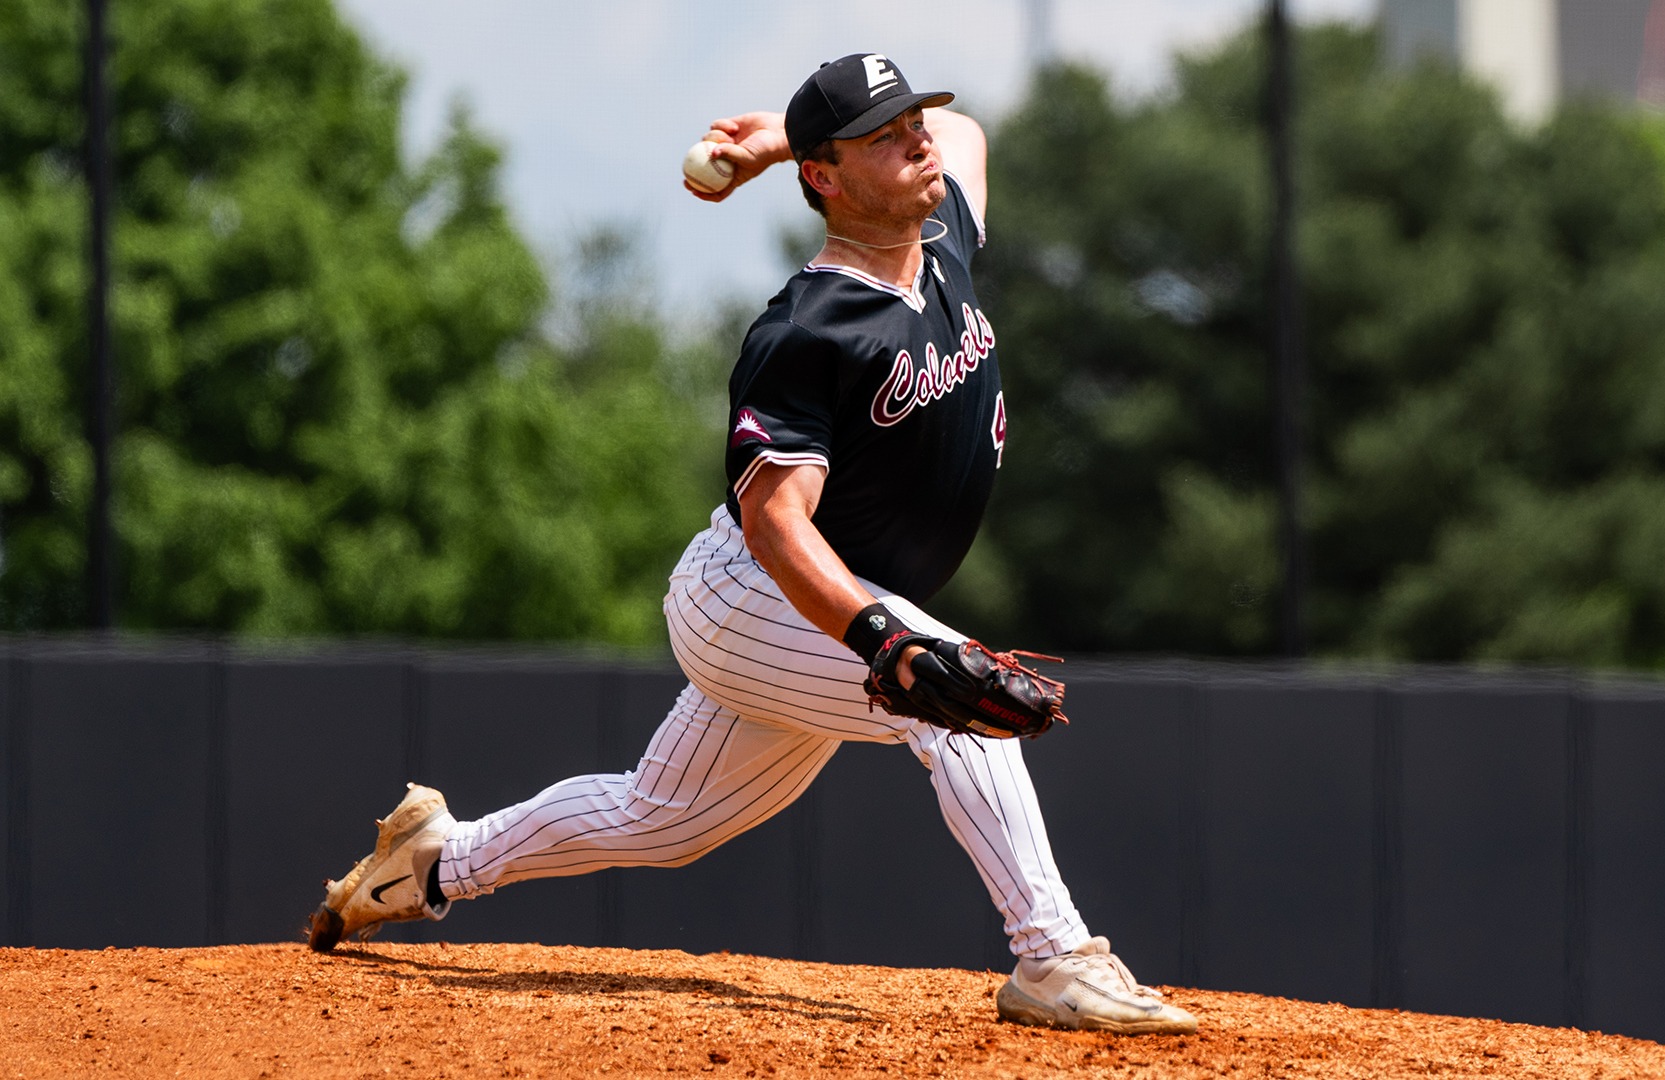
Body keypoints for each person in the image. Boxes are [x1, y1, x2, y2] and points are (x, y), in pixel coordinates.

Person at [306, 52, 1197, 1037]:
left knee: (663, 818)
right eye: (883, 133)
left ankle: (434, 860)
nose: (915, 138)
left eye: (912, 120)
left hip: (826, 604)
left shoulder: (941, 242)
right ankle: (1055, 957)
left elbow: (967, 134)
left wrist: (782, 138)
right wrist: (882, 643)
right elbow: (777, 522)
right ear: (832, 177)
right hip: (750, 595)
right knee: (952, 700)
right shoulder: (808, 329)